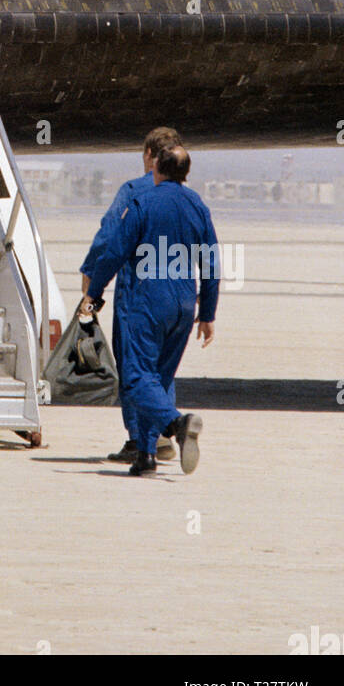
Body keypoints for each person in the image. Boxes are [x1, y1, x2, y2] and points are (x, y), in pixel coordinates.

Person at [79, 144, 219, 477]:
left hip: (145, 303)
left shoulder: (142, 202)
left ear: (156, 167)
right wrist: (209, 313)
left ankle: (177, 424)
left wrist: (94, 294)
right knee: (160, 378)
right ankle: (145, 454)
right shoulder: (198, 206)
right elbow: (211, 265)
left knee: (137, 377)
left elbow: (113, 251)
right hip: (184, 306)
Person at [80, 127, 183, 464]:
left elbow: (109, 238)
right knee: (161, 372)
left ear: (149, 157)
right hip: (177, 296)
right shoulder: (187, 197)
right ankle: (160, 438)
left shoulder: (135, 190)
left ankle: (142, 440)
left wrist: (91, 282)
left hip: (136, 295)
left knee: (134, 367)